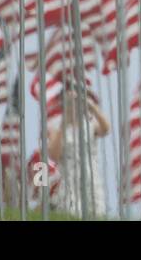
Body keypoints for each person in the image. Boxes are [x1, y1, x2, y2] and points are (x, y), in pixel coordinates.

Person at [47, 81, 111, 217]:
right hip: (69, 178)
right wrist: (65, 123)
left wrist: (91, 106)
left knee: (96, 212)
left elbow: (106, 129)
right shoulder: (55, 128)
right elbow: (54, 155)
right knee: (72, 213)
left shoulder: (90, 124)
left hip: (91, 176)